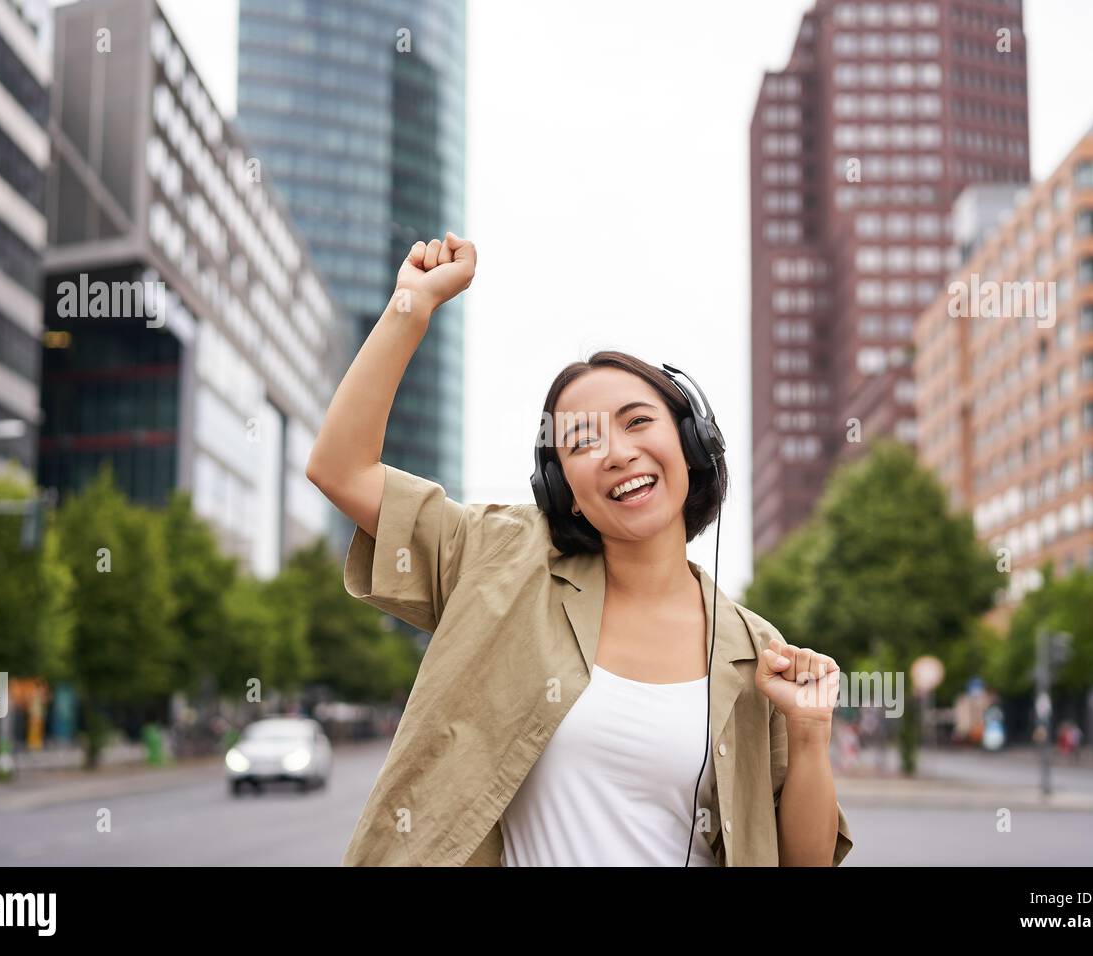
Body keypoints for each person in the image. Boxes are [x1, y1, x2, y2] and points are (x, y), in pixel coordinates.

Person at [307, 232, 853, 867]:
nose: (618, 452)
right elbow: (340, 469)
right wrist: (412, 305)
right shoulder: (499, 558)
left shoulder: (756, 653)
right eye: (584, 442)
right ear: (562, 491)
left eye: (639, 421)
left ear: (692, 446)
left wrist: (811, 735)